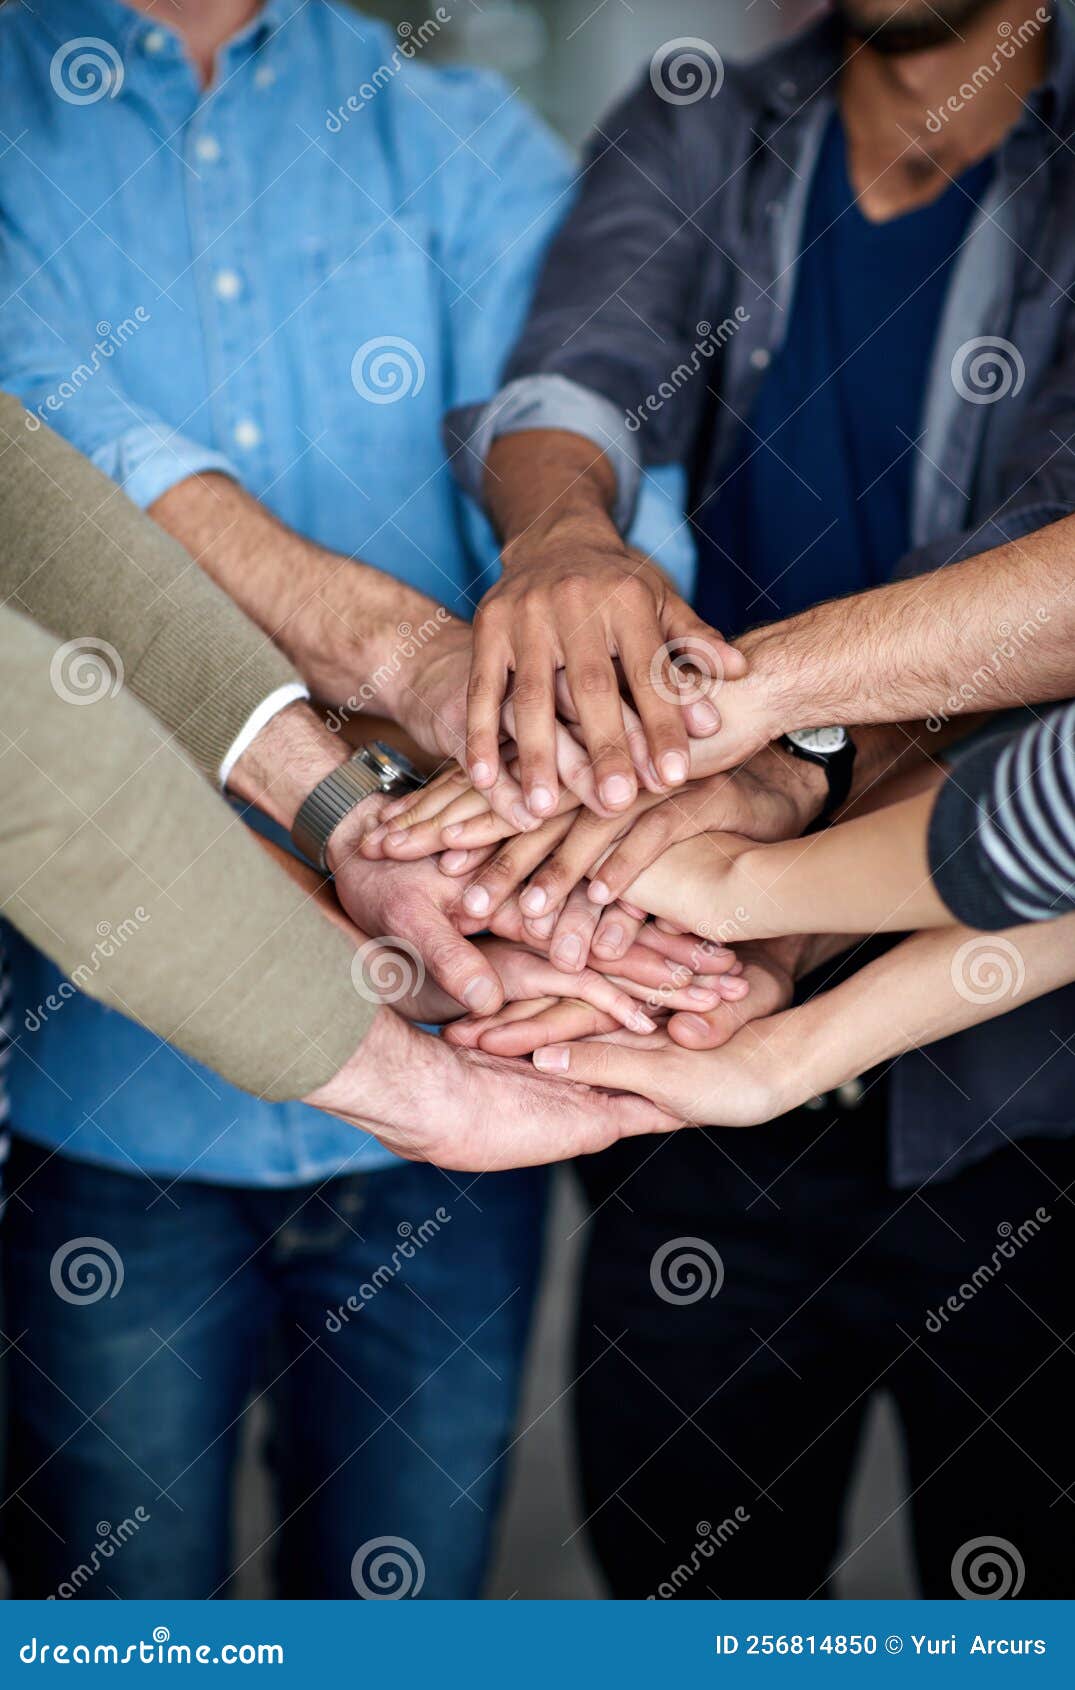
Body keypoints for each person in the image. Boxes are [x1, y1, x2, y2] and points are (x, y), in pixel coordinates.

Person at [437, 0, 1075, 1596]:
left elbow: (1047, 578)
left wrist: (785, 759)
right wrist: (566, 537)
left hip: (1025, 1102)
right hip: (686, 1044)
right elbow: (575, 376)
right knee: (687, 1601)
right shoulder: (703, 119)